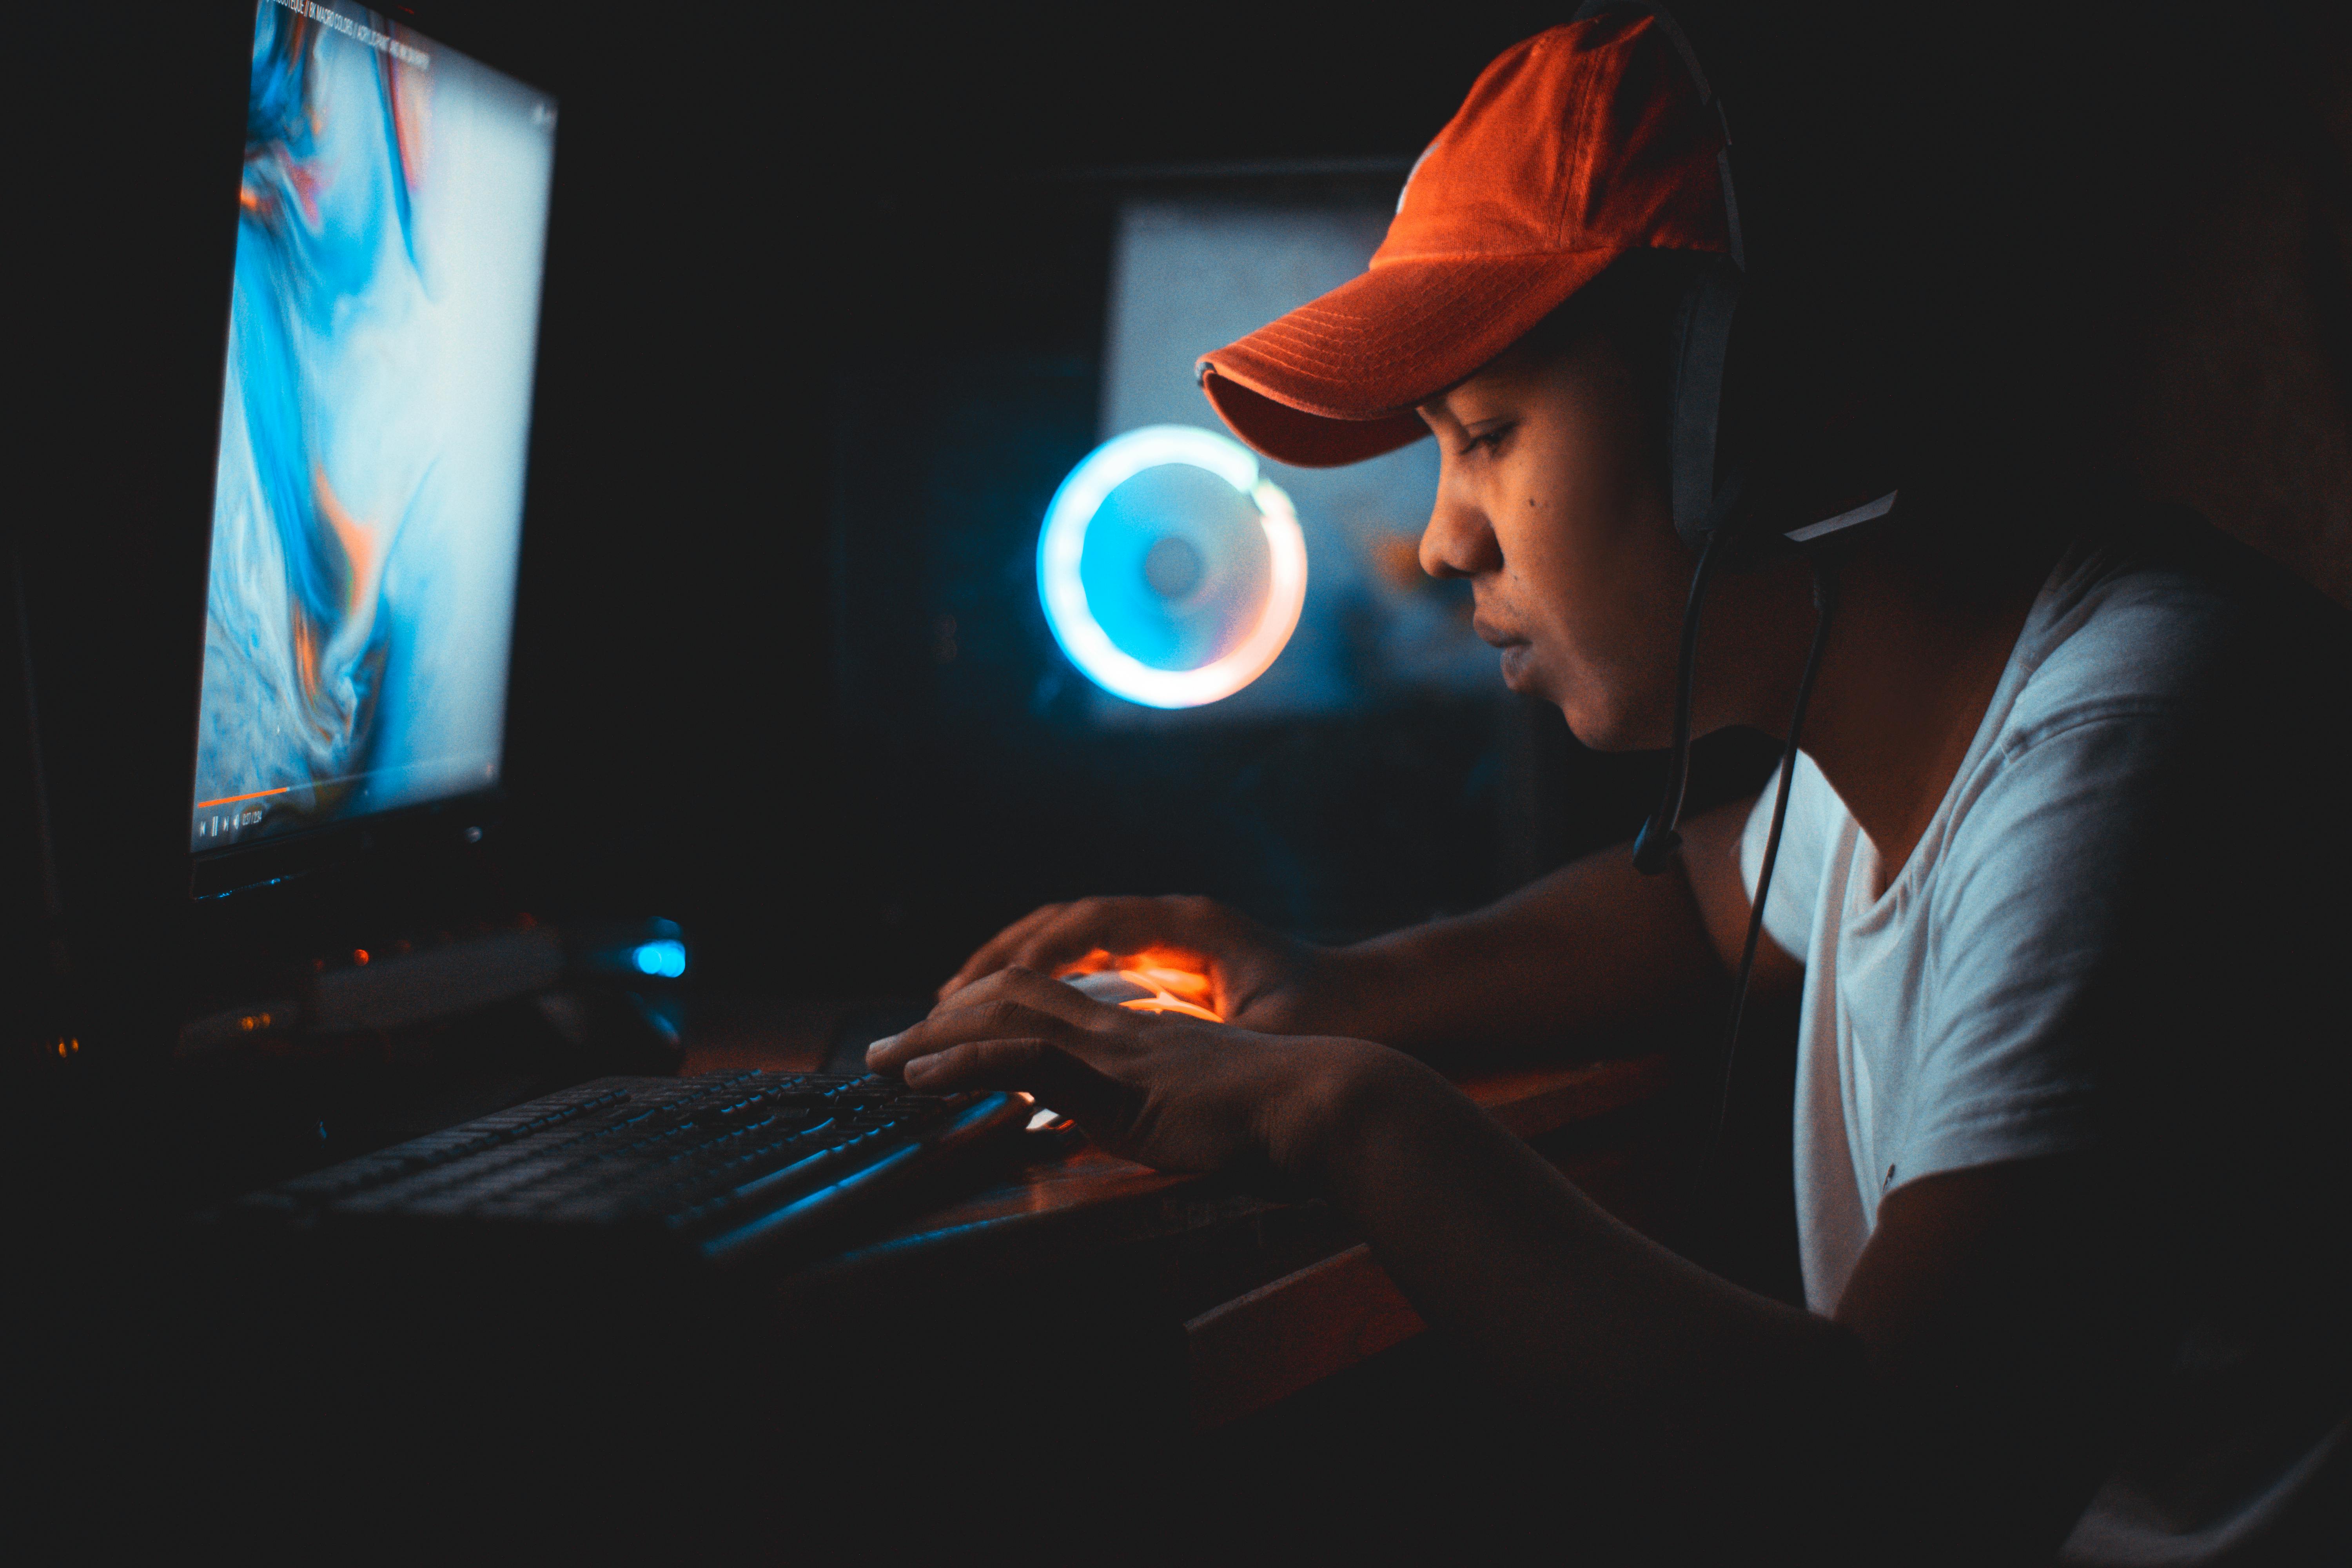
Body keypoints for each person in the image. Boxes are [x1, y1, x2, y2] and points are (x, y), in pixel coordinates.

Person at [867, 13, 2350, 1561]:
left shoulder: (2133, 754)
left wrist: (1342, 1109)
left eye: (1487, 434)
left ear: (1759, 404)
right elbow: (1707, 896)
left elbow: (1899, 1490)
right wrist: (1337, 987)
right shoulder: (1953, 713)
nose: (1446, 539)